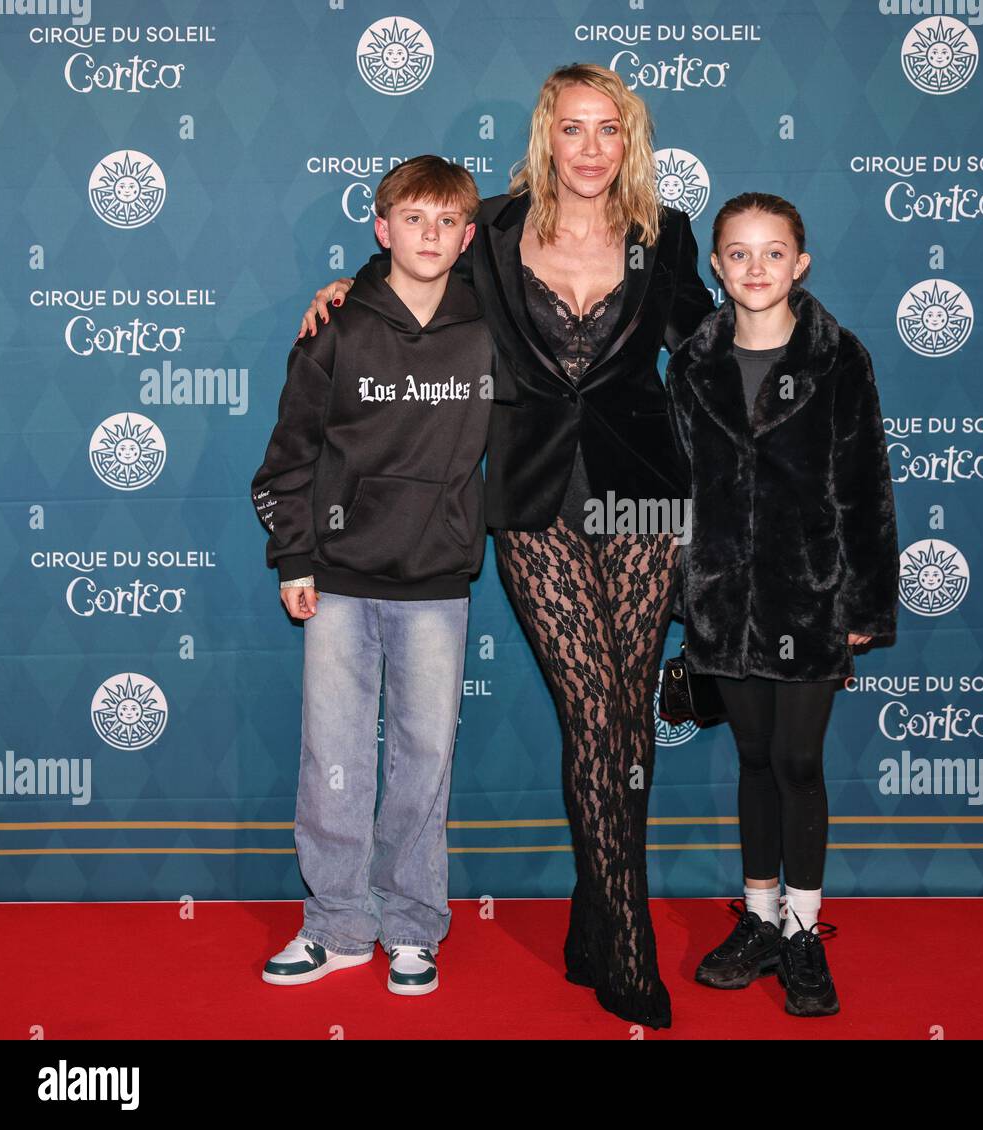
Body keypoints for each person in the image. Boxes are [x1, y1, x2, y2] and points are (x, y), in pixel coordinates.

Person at [295, 63, 715, 1029]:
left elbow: (706, 334)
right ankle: (628, 934)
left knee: (623, 718)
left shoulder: (665, 233)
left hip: (643, 500)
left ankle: (597, 917)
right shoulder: (490, 226)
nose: (592, 148)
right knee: (596, 711)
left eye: (609, 129)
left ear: (630, 137)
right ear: (547, 135)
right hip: (533, 498)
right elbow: (414, 259)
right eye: (574, 128)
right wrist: (346, 290)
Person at [251, 156, 493, 997]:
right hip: (340, 581)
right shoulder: (338, 329)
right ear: (381, 229)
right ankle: (338, 924)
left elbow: (552, 204)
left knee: (425, 762)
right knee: (335, 759)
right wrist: (294, 556)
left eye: (447, 223)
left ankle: (413, 927)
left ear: (469, 237)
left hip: (437, 582)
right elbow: (288, 460)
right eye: (411, 220)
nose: (430, 236)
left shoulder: (492, 326)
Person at [665, 193, 900, 1017]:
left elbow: (866, 485)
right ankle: (759, 919)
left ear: (801, 264)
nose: (756, 268)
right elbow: (677, 488)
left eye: (774, 253)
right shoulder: (690, 367)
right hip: (724, 604)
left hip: (812, 601)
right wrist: (678, 589)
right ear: (717, 265)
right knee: (755, 761)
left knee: (799, 765)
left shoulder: (842, 359)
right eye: (738, 252)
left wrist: (867, 599)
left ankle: (804, 931)